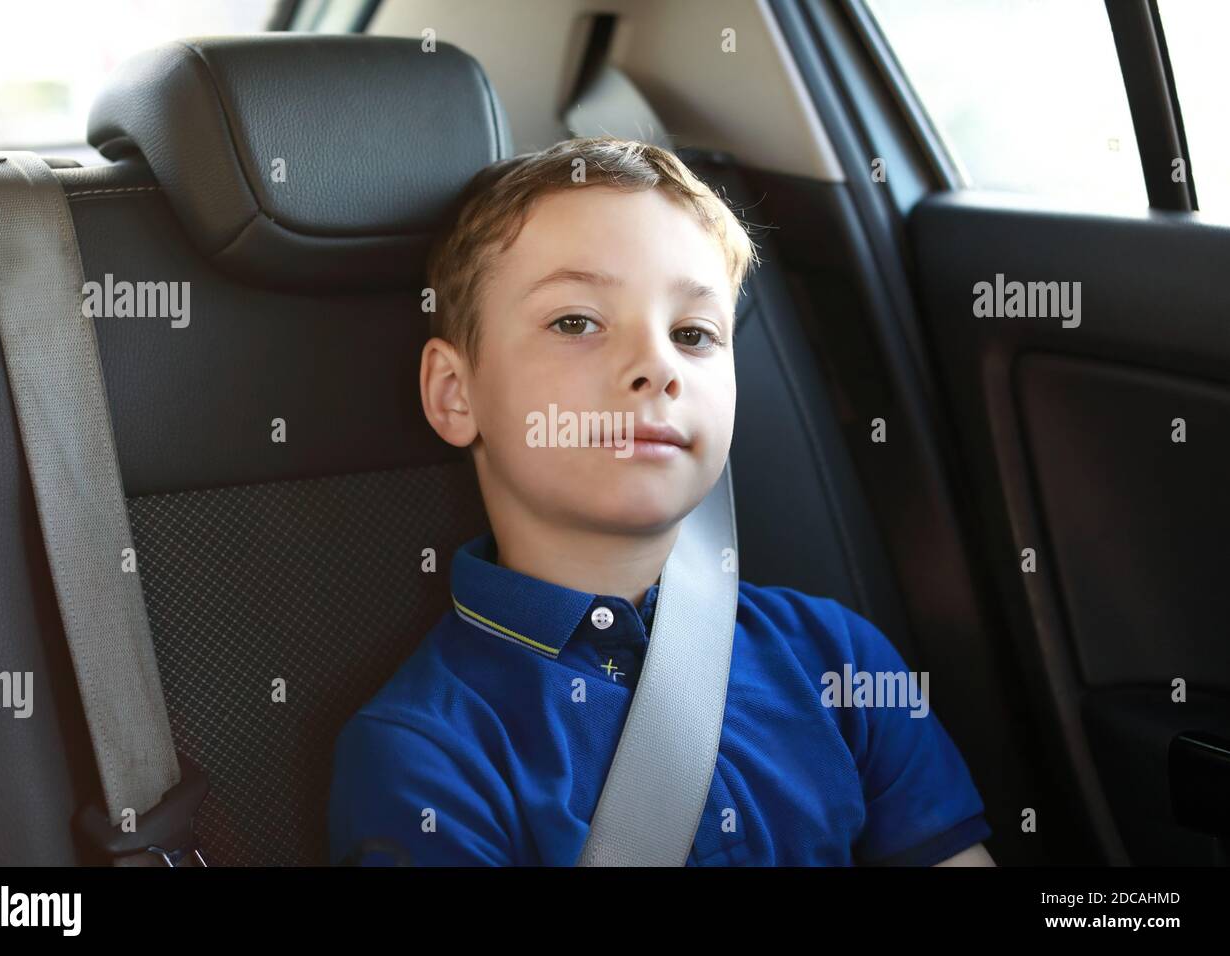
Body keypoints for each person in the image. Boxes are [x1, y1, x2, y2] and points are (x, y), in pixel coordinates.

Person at [328, 136, 995, 866]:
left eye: (693, 333)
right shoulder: (426, 755)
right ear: (456, 394)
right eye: (576, 322)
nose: (656, 365)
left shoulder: (837, 659)